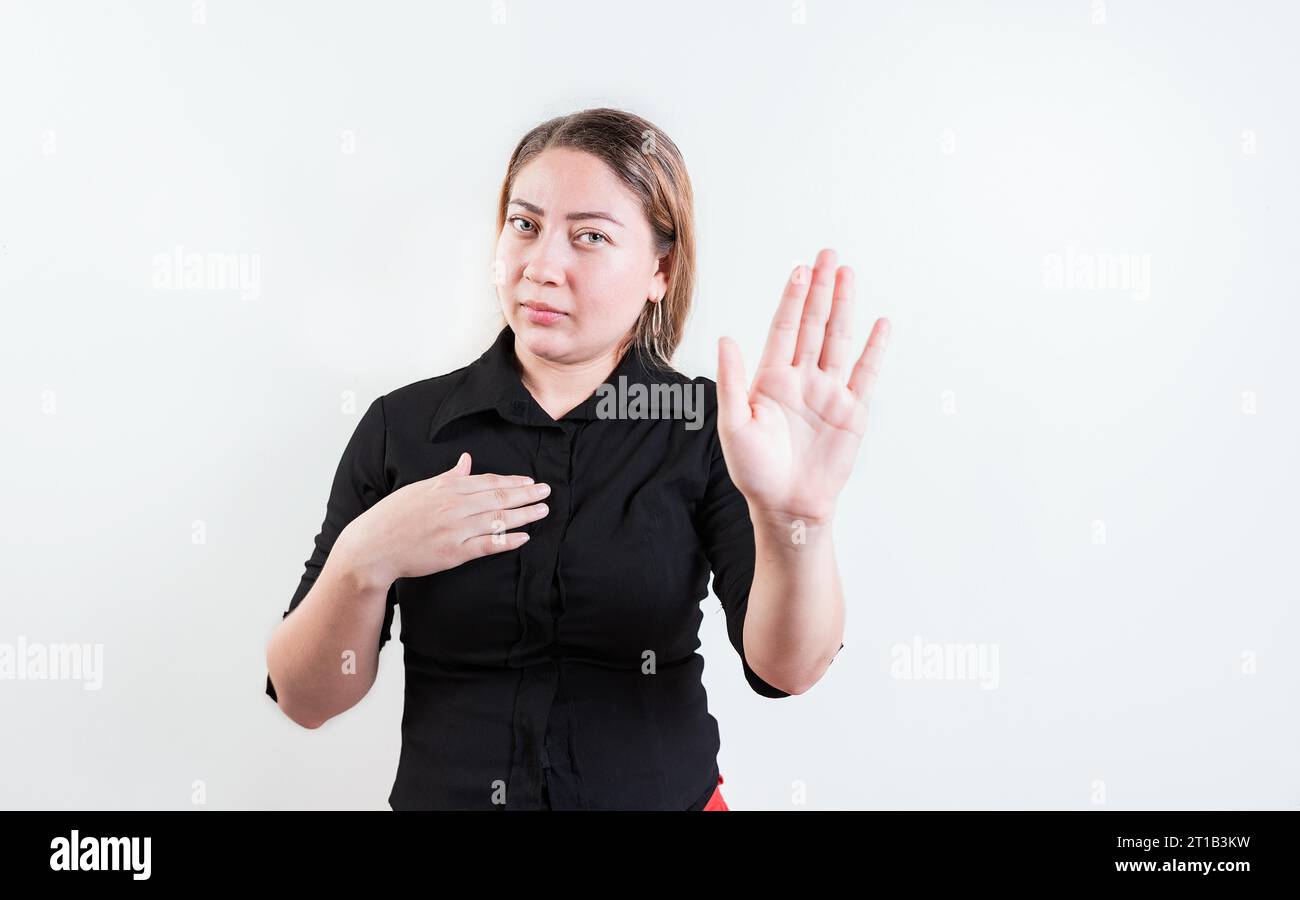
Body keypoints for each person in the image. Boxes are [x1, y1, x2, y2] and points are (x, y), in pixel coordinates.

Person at [264, 107, 891, 810]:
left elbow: (788, 670)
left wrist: (795, 520)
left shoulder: (712, 429)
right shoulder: (402, 429)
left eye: (589, 236)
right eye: (525, 225)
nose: (541, 266)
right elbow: (305, 700)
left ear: (661, 268)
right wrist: (363, 560)